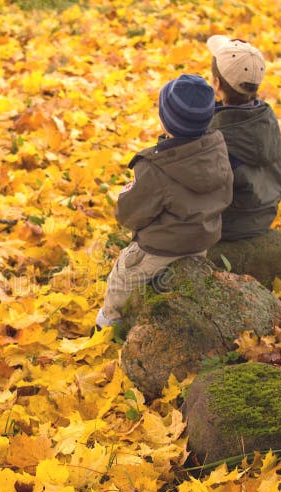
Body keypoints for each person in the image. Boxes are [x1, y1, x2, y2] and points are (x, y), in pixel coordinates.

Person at [96, 74, 233, 329]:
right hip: (200, 243)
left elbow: (130, 214)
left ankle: (107, 324)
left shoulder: (157, 168)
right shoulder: (217, 151)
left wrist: (124, 198)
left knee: (122, 277)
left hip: (158, 248)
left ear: (165, 121)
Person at [206, 35, 281, 241]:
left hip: (226, 224)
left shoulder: (216, 133)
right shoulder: (266, 121)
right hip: (263, 215)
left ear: (216, 84)